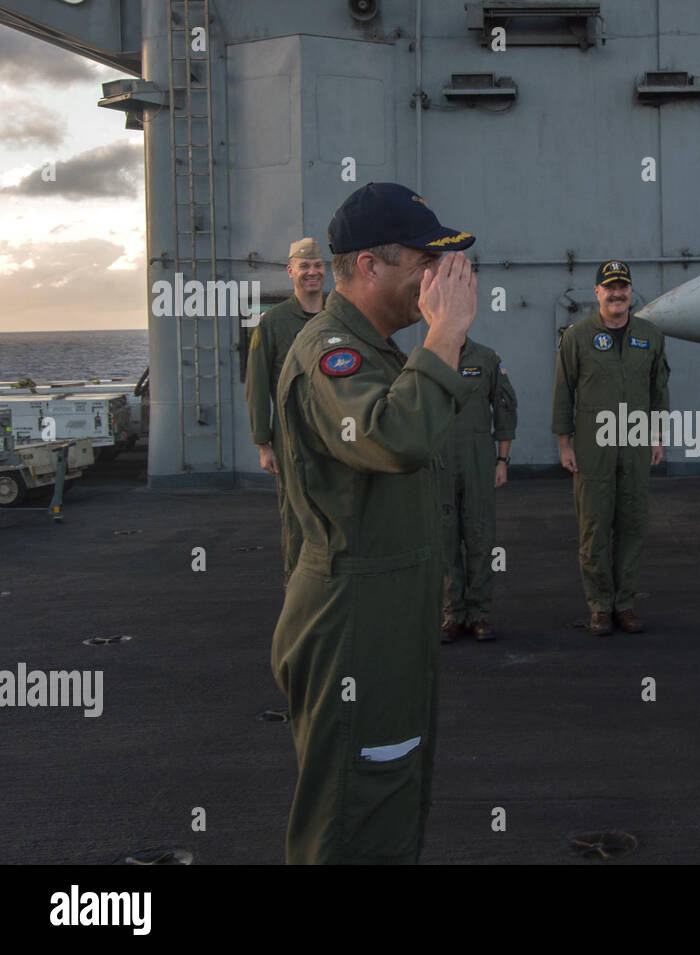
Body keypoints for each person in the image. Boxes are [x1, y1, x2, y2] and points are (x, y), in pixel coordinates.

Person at [270, 182, 478, 864]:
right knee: (351, 814)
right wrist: (445, 333)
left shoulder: (380, 349)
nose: (437, 278)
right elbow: (395, 436)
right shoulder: (332, 353)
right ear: (368, 266)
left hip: (390, 617)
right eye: (426, 261)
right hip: (354, 624)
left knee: (389, 795)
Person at [551, 260, 670, 635]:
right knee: (594, 527)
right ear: (597, 293)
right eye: (610, 287)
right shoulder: (576, 337)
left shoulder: (650, 335)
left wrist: (657, 435)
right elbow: (563, 391)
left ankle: (625, 604)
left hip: (635, 441)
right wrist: (564, 443)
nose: (617, 293)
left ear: (630, 292)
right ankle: (600, 606)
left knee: (633, 524)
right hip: (592, 444)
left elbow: (659, 390)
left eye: (623, 287)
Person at [244, 237, 326, 583]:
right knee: (296, 518)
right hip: (292, 439)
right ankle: (298, 594)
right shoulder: (272, 323)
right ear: (291, 271)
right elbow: (257, 385)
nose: (312, 272)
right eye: (304, 266)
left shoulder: (343, 316)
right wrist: (264, 444)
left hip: (342, 435)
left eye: (318, 266)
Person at [438, 336, 518, 643]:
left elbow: (504, 406)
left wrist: (502, 460)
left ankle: (479, 614)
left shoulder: (486, 358)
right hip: (438, 459)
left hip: (478, 459)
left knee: (480, 537)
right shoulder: (424, 357)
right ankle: (452, 614)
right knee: (443, 539)